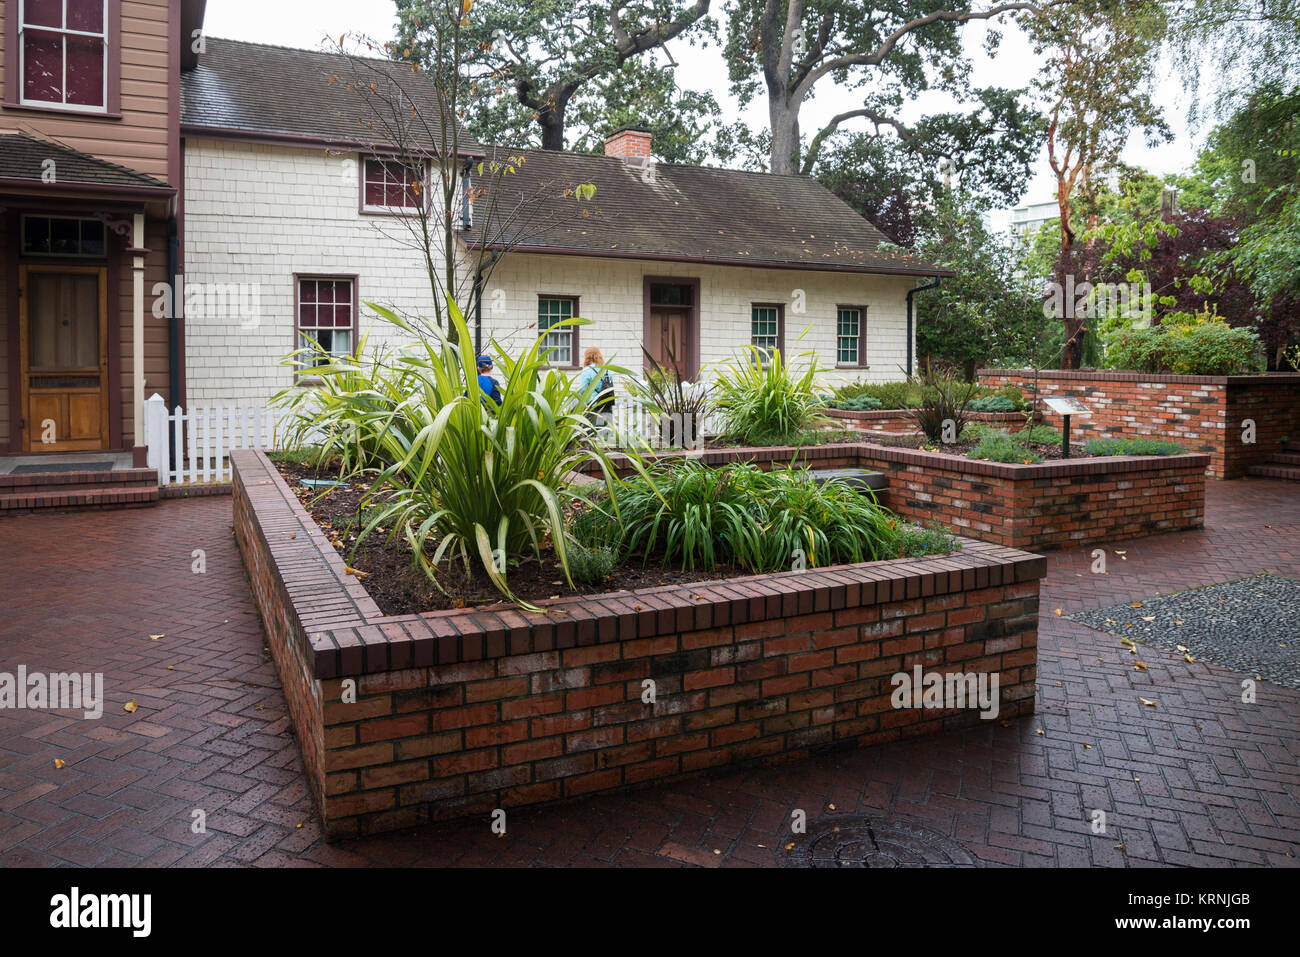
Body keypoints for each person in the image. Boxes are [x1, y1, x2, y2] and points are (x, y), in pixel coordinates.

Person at [575, 347, 615, 421]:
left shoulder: (587, 370)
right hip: (606, 405)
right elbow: (611, 386)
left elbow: (583, 390)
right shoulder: (607, 369)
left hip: (593, 406)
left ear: (587, 357)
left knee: (592, 430)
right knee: (606, 430)